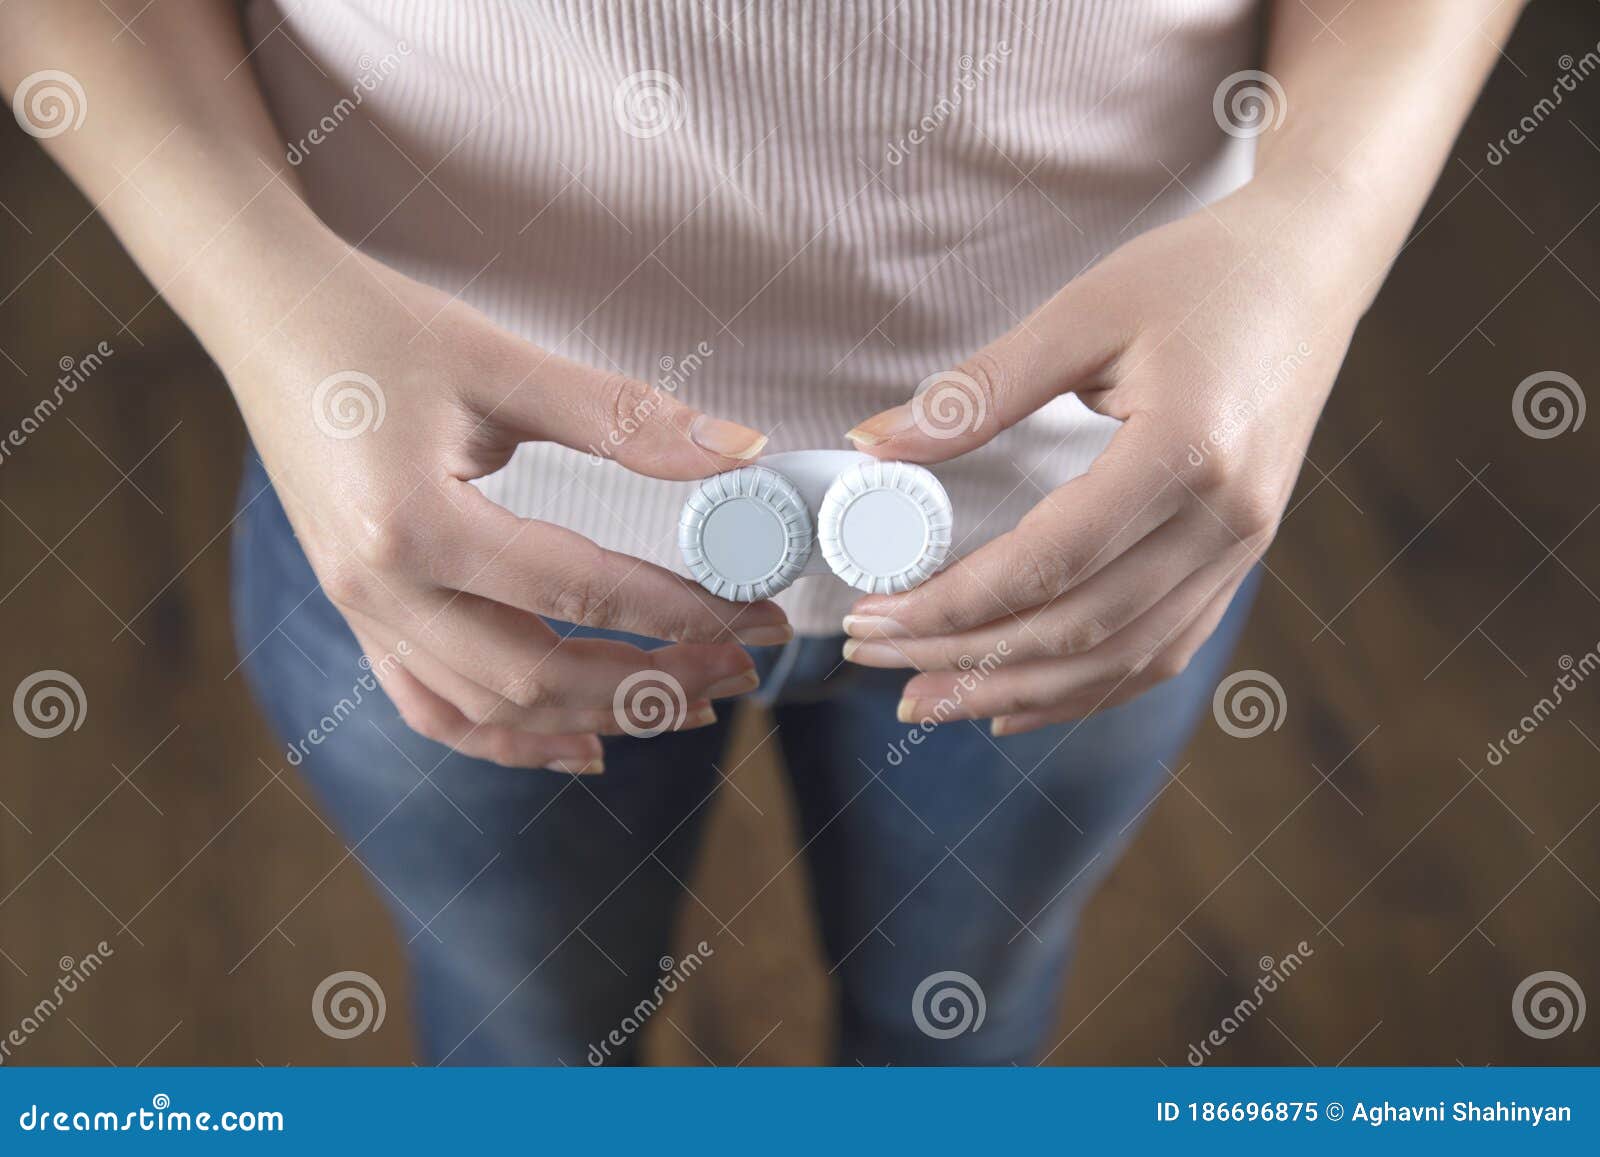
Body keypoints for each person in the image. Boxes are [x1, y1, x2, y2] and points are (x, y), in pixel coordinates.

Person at [3, 0, 1522, 1064]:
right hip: (458, 530)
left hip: (1086, 521)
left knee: (963, 1027)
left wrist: (1313, 241)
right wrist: (269, 300)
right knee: (526, 1044)